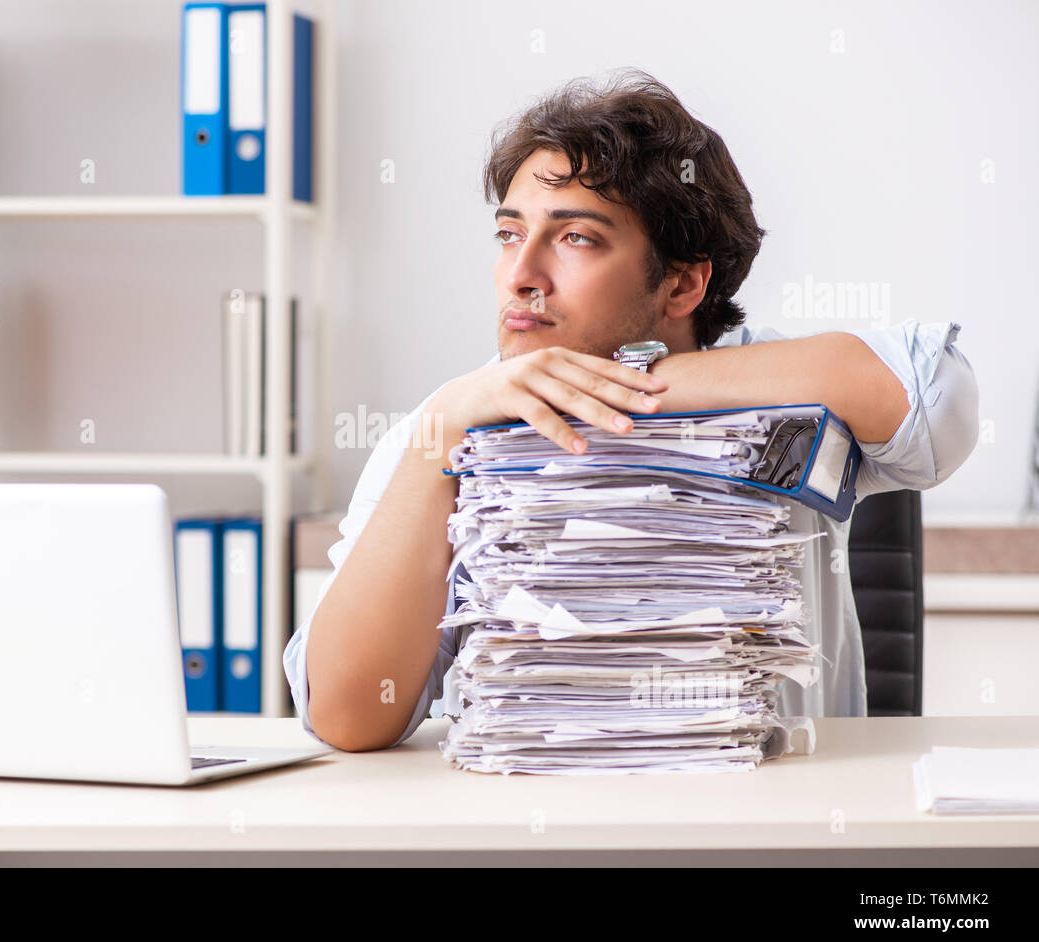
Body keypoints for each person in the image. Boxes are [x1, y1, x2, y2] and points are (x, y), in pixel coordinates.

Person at [285, 71, 979, 752]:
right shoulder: (453, 423)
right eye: (508, 233)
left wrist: (643, 384)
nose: (521, 273)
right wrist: (447, 426)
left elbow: (939, 397)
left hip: (766, 823)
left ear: (682, 282)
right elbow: (348, 712)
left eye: (575, 237)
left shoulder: (773, 386)